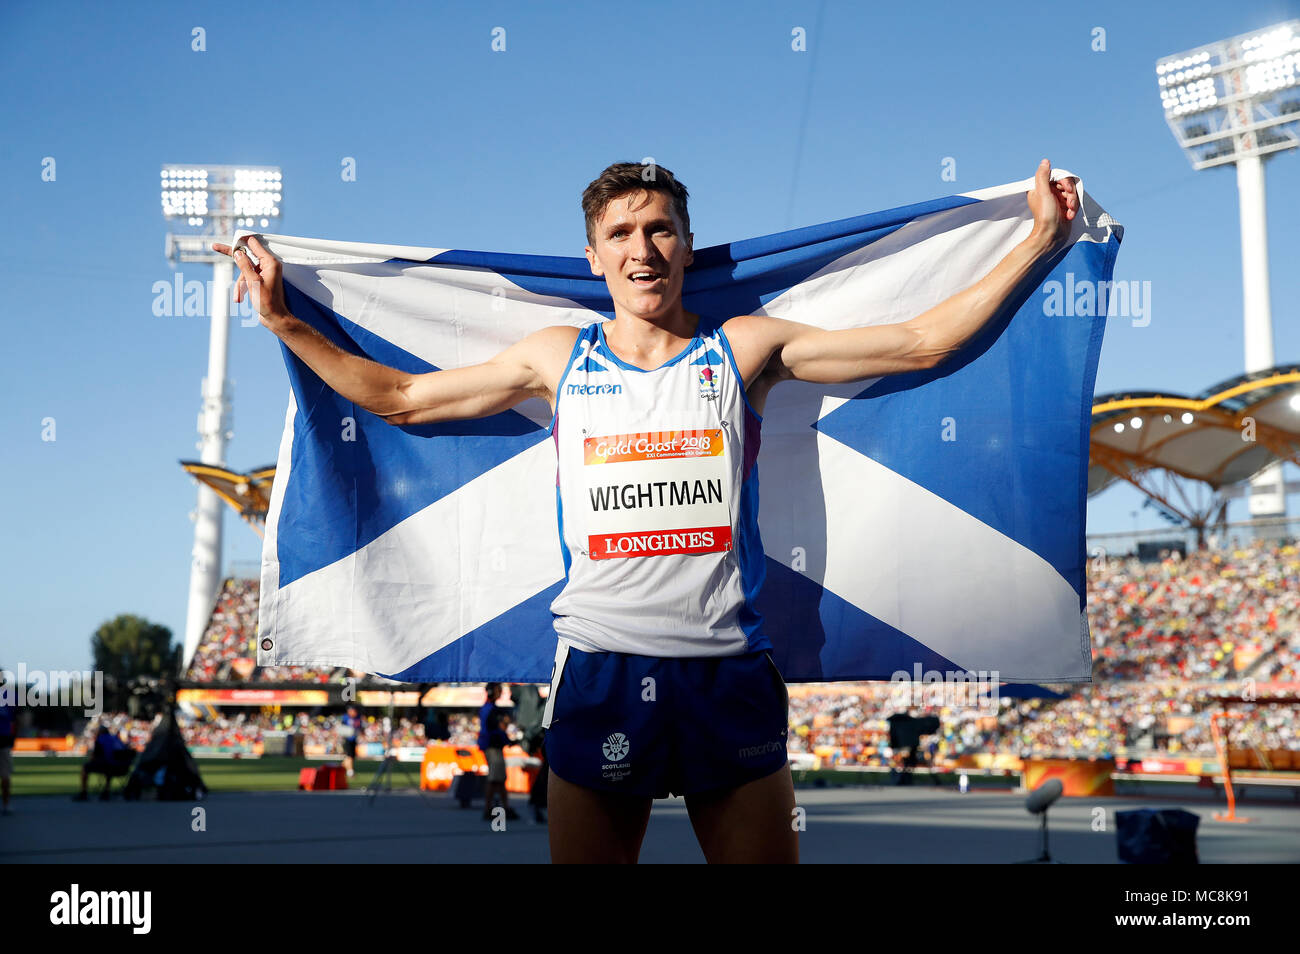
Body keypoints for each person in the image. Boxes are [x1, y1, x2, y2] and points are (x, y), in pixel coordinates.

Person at [214, 158, 1077, 863]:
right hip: (600, 670)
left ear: (686, 244)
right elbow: (402, 397)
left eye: (660, 227)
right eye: (620, 233)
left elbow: (924, 341)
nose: (643, 248)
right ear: (594, 257)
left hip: (727, 673)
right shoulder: (557, 358)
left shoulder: (745, 347)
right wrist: (286, 322)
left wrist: (1039, 240)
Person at [477, 683, 518, 822]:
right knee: (494, 779)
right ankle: (488, 809)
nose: (500, 692)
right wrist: (508, 739)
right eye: (498, 690)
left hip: (492, 746)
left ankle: (504, 807)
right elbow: (498, 728)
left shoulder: (487, 708)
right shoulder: (491, 710)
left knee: (499, 779)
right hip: (493, 747)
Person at [74, 723, 135, 801]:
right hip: (123, 768)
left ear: (99, 732)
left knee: (86, 767)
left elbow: (95, 756)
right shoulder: (116, 739)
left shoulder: (100, 740)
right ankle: (106, 791)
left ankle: (83, 792)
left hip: (109, 767)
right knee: (108, 769)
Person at [0, 670, 15, 816]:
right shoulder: (9, 695)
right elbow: (15, 720)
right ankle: (6, 804)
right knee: (5, 774)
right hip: (4, 738)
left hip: (4, 737)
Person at [340, 705, 361, 778]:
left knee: (351, 756)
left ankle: (340, 768)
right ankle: (350, 771)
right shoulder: (345, 717)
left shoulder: (358, 717)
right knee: (349, 756)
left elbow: (359, 727)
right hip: (347, 739)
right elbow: (342, 728)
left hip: (354, 739)